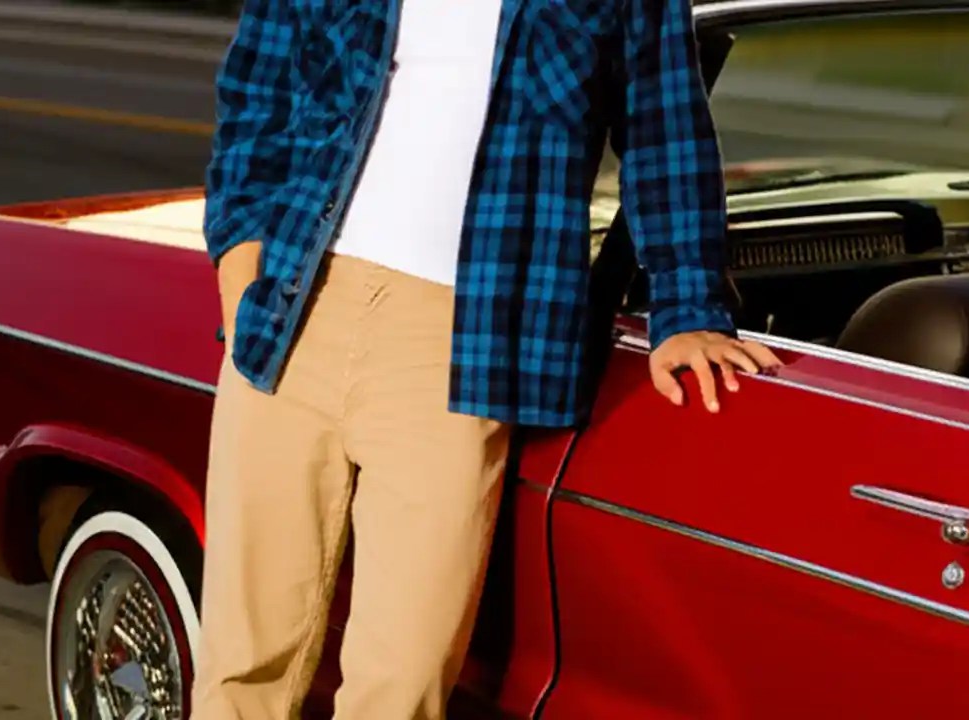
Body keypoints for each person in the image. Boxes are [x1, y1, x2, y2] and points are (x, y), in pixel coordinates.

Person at [191, 0, 781, 717]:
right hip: (291, 306)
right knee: (240, 667)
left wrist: (687, 308)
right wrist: (243, 276)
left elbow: (664, 129)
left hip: (462, 337)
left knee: (400, 686)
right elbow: (258, 95)